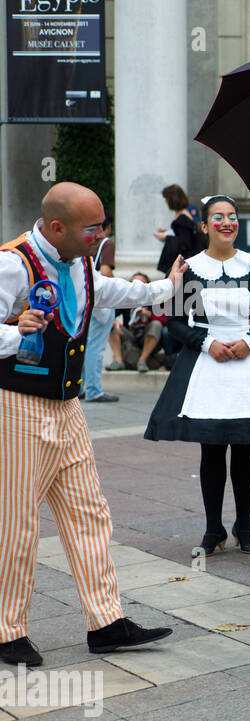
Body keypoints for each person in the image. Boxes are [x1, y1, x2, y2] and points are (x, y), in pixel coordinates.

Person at [0, 182, 186, 667]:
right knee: (15, 525)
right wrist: (12, 332)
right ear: (57, 227)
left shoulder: (79, 261)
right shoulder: (12, 262)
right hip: (16, 406)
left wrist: (166, 286)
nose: (100, 235)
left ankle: (106, 622)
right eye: (92, 227)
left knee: (90, 514)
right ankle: (6, 631)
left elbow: (112, 291)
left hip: (68, 406)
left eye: (101, 224)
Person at [144, 195, 250, 556]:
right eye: (218, 217)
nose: (227, 223)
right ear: (204, 226)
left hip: (249, 360)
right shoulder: (193, 269)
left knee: (245, 445)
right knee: (211, 448)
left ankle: (243, 527)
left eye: (232, 217)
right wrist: (206, 342)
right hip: (206, 362)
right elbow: (177, 320)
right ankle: (214, 529)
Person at [82, 215, 118, 402]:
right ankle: (94, 389)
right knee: (96, 346)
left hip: (86, 296)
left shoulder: (83, 241)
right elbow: (105, 271)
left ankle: (80, 386)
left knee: (86, 342)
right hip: (102, 298)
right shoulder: (107, 243)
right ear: (108, 226)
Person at [116, 275, 167, 371]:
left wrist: (149, 315)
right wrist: (115, 323)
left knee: (156, 324)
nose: (137, 288)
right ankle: (119, 361)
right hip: (131, 336)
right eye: (134, 284)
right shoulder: (125, 301)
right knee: (111, 325)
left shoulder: (155, 301)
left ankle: (142, 360)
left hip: (149, 339)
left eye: (141, 285)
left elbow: (168, 321)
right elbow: (109, 314)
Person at [155, 184, 205, 274]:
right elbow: (181, 234)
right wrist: (167, 232)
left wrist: (165, 237)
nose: (165, 202)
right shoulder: (183, 215)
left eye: (167, 199)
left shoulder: (182, 218)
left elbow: (185, 243)